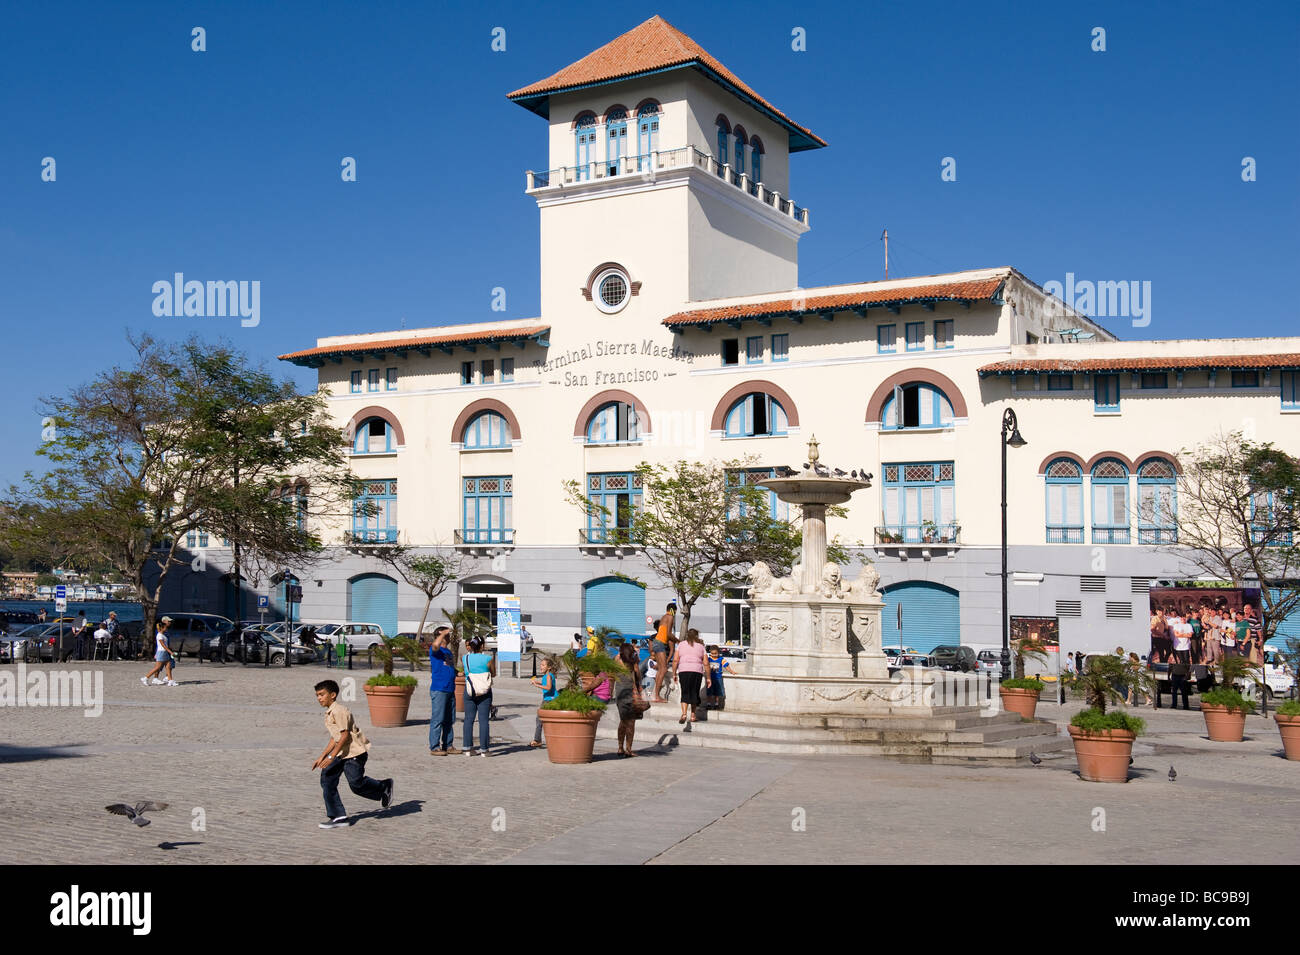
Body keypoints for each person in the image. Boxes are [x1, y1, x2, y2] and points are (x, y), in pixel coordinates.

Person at [312, 679, 393, 829]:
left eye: (322, 694)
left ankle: (383, 786)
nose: (319, 698)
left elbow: (345, 736)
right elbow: (335, 737)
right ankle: (339, 816)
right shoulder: (329, 713)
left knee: (356, 785)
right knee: (327, 779)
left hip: (354, 754)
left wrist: (330, 757)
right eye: (317, 695)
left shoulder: (339, 711)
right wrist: (322, 756)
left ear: (333, 695)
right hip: (341, 753)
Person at [461, 636, 495, 756]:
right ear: (482, 646)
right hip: (484, 691)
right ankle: (484, 750)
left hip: (469, 690)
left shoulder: (465, 658)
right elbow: (493, 673)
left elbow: (465, 671)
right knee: (483, 720)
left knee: (468, 719)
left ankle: (467, 748)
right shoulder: (488, 658)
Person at [428, 627, 459, 755]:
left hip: (450, 688)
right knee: (438, 719)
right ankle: (434, 747)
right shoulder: (435, 649)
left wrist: (458, 673)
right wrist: (443, 633)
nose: (449, 637)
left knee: (449, 719)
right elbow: (435, 644)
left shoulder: (448, 652)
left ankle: (448, 745)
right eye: (447, 635)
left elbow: (449, 667)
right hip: (439, 689)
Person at [671, 627, 709, 724]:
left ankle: (684, 714)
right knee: (694, 692)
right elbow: (706, 663)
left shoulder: (680, 645)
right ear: (696, 636)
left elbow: (675, 660)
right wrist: (708, 678)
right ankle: (693, 715)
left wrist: (674, 673)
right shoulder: (701, 647)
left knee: (685, 692)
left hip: (684, 671)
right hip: (697, 671)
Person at [614, 643, 646, 756]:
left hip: (619, 693)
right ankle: (628, 749)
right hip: (631, 692)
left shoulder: (617, 659)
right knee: (631, 722)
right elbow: (637, 673)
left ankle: (620, 747)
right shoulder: (633, 660)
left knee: (623, 720)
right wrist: (640, 684)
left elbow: (612, 675)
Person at [140, 618, 178, 687]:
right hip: (161, 652)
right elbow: (163, 645)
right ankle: (145, 678)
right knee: (157, 667)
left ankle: (170, 681)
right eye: (165, 628)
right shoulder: (159, 635)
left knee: (168, 666)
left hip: (165, 653)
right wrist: (170, 652)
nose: (166, 629)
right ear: (162, 628)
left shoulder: (163, 635)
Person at [529, 655, 557, 748]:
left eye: (543, 665)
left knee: (539, 719)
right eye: (541, 665)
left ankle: (537, 740)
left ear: (549, 667)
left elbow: (548, 687)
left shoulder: (548, 676)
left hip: (549, 700)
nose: (541, 666)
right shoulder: (548, 675)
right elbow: (546, 684)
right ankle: (541, 739)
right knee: (544, 719)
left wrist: (537, 686)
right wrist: (537, 682)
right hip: (550, 699)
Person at [652, 603, 676, 703]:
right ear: (672, 610)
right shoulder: (670, 617)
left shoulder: (664, 617)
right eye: (675, 611)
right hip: (660, 643)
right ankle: (656, 696)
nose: (675, 614)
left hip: (656, 642)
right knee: (664, 669)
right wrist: (678, 640)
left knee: (661, 669)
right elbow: (669, 634)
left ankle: (655, 695)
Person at [705, 645, 731, 710]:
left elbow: (726, 666)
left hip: (718, 678)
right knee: (709, 692)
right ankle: (709, 704)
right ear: (710, 652)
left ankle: (716, 704)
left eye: (715, 653)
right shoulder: (708, 659)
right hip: (710, 678)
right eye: (712, 653)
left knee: (717, 692)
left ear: (718, 652)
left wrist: (731, 671)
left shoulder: (721, 659)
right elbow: (705, 665)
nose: (714, 655)